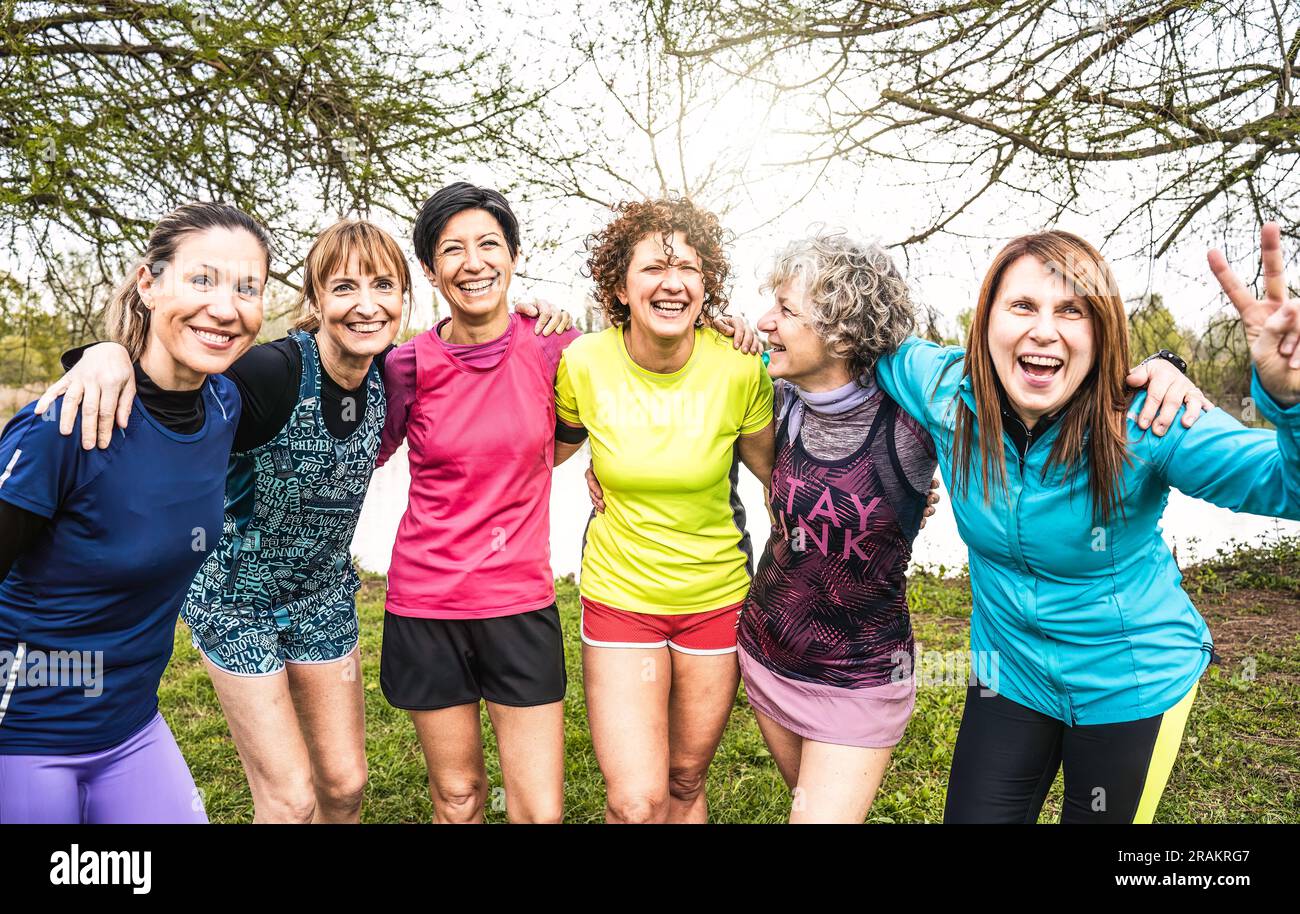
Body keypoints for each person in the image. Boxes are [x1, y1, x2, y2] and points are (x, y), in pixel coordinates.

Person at [585, 231, 1203, 823]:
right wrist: (605, 465)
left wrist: (1153, 368)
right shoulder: (772, 391)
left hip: (862, 669)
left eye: (785, 309)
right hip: (769, 647)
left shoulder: (916, 414)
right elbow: (676, 409)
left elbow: (1019, 380)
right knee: (806, 799)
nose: (766, 320)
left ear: (837, 329)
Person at [862, 225, 1300, 823]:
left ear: (1100, 333)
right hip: (1009, 675)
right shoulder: (942, 391)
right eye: (1022, 305)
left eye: (1071, 310)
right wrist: (733, 339)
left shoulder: (1150, 422)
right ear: (986, 320)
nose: (1044, 329)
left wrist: (1289, 404)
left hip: (1132, 686)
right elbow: (847, 339)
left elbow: (1285, 485)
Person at [0, 202, 268, 823]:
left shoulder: (224, 404)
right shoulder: (63, 427)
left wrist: (526, 324)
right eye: (202, 279)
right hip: (24, 735)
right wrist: (101, 354)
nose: (225, 308)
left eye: (246, 287)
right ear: (148, 284)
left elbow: (347, 349)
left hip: (132, 731)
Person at [552, 197, 774, 824]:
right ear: (619, 287)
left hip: (717, 598)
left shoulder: (739, 367)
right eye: (653, 268)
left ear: (708, 286)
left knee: (682, 781)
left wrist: (896, 490)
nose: (672, 283)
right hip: (621, 597)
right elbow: (537, 454)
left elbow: (780, 478)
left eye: (689, 269)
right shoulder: (584, 362)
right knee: (633, 801)